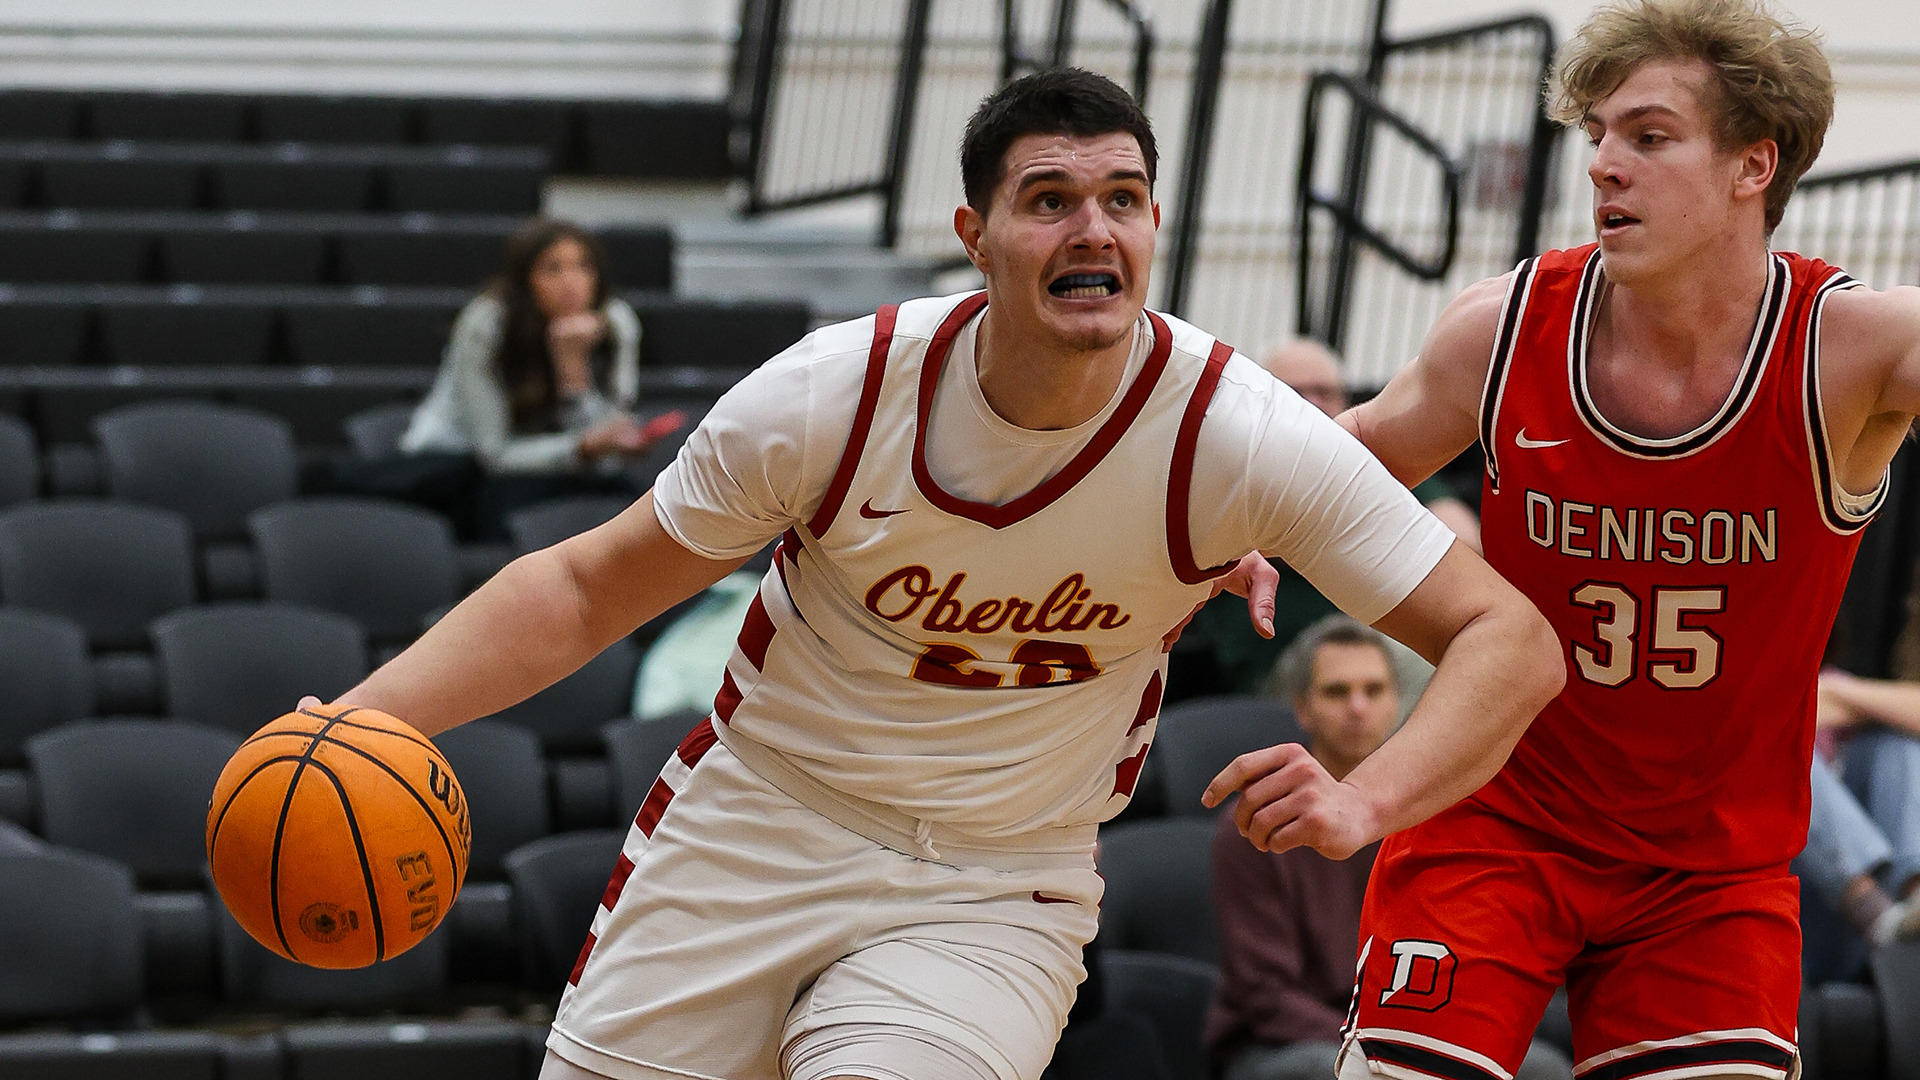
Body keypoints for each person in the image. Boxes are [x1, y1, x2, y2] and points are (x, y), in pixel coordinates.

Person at [308, 69, 1563, 1080]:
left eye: (1123, 199)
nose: (1093, 229)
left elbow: (1509, 640)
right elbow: (588, 588)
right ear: (975, 236)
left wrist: (1368, 799)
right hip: (759, 825)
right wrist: (355, 721)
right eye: (1050, 199)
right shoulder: (830, 395)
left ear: (1155, 229)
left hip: (993, 881)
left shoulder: (1235, 434)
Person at [1208, 2, 1920, 1076]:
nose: (1603, 165)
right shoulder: (1506, 327)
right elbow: (1347, 455)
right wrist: (1236, 528)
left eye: (1649, 135)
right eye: (1598, 134)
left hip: (1710, 871)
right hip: (1495, 821)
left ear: (1753, 165)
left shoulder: (1852, 346)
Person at [1207, 616, 1572, 1080]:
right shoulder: (1259, 823)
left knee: (1543, 1068)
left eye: (1374, 690)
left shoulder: (1436, 809)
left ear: (1397, 701)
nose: (1357, 707)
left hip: (1413, 1024)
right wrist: (1380, 1048)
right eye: (1337, 692)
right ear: (1302, 709)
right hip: (1288, 1043)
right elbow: (1266, 996)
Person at [1180, 339, 1481, 698]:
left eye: (1324, 392)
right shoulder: (1232, 461)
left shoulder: (1369, 457)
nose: (1312, 403)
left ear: (1346, 400)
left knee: (1464, 658)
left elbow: (1465, 539)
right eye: (1294, 393)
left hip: (1378, 651)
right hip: (1277, 666)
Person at [401, 217, 684, 535]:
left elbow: (606, 454)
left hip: (564, 470)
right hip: (468, 465)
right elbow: (494, 455)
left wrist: (573, 370)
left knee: (632, 506)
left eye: (583, 267)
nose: (571, 282)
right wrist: (580, 448)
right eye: (553, 269)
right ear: (525, 280)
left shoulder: (617, 322)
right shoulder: (488, 323)